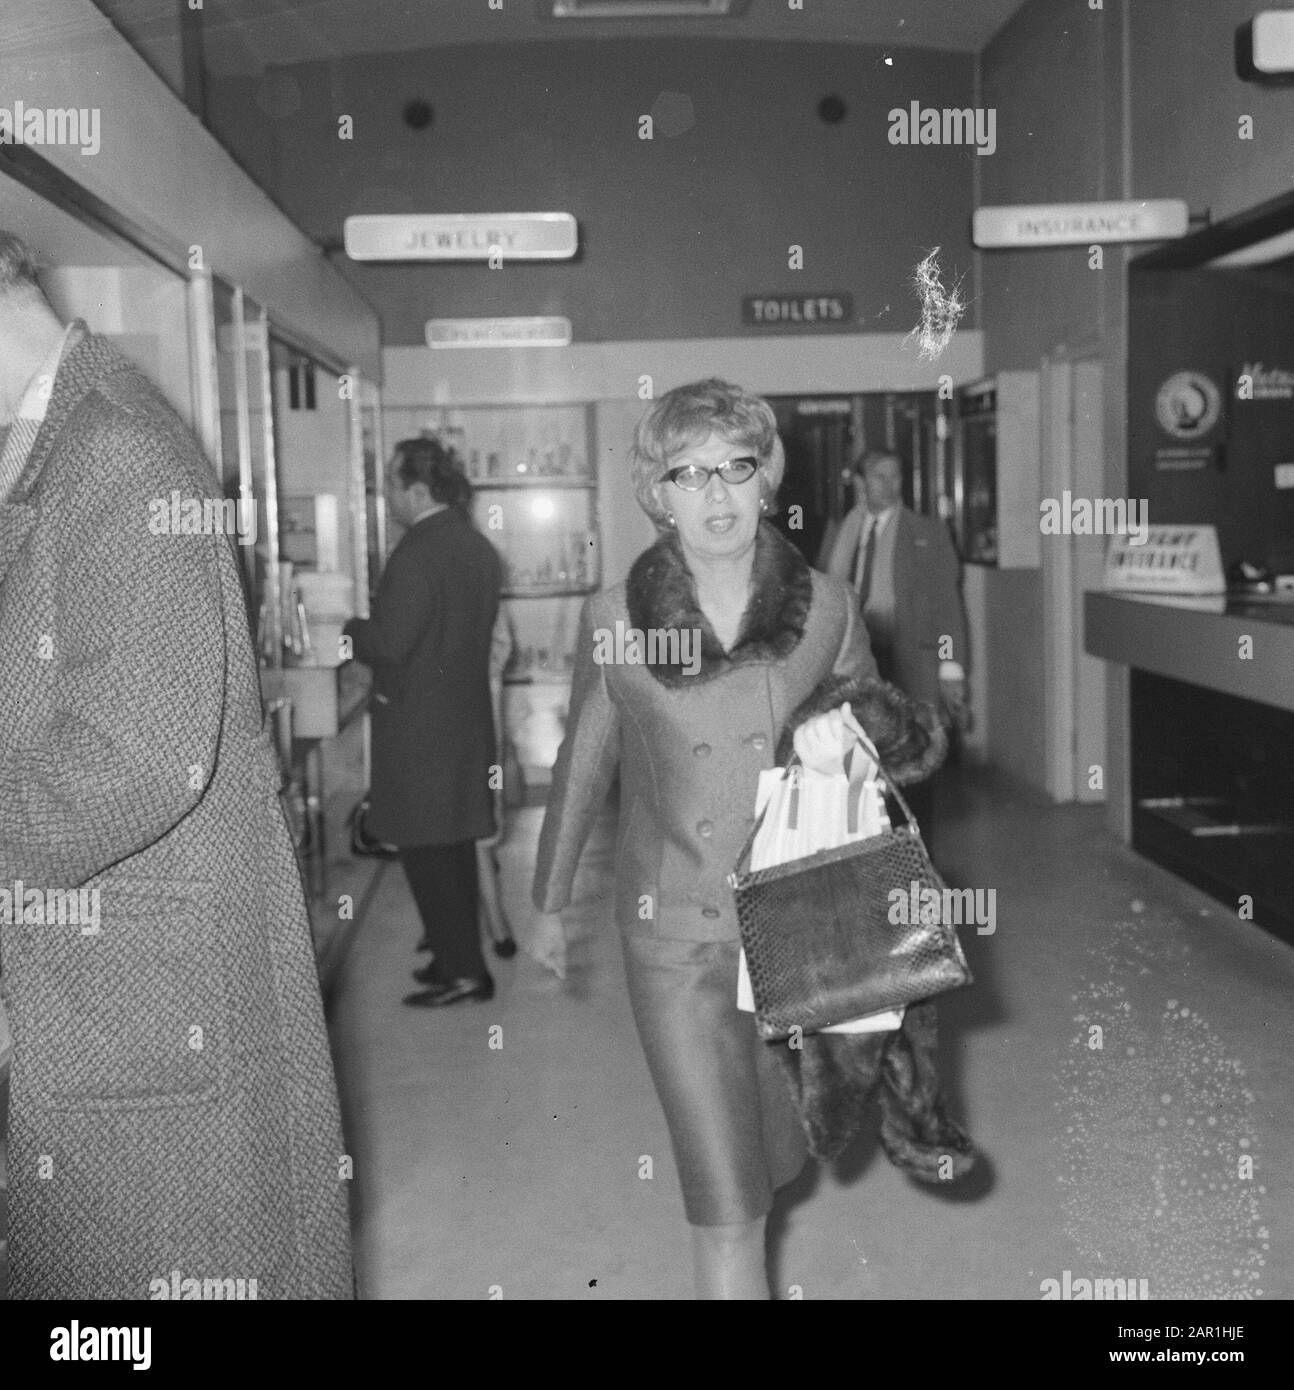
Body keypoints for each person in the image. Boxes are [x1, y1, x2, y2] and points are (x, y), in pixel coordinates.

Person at [527, 379, 972, 1300]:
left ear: (767, 477)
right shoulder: (617, 619)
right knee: (727, 1208)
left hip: (795, 927)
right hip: (673, 939)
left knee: (776, 1162)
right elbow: (585, 758)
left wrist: (851, 746)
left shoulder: (827, 606)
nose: (717, 495)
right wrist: (547, 897)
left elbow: (883, 744)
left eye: (736, 467)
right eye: (690, 474)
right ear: (658, 491)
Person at [0, 231, 352, 1299]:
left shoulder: (112, 451)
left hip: (141, 1023)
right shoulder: (54, 442)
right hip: (101, 1005)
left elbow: (137, 757)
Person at [344, 437, 503, 1007]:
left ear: (416, 489)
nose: (385, 496)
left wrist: (350, 628)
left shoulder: (416, 551)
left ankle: (464, 973)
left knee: (426, 852)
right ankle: (450, 953)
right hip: (462, 721)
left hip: (419, 731)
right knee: (452, 846)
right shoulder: (476, 548)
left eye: (390, 484)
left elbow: (391, 641)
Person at [823, 447, 970, 847]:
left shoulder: (927, 533)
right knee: (857, 774)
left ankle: (917, 867)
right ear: (859, 482)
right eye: (880, 476)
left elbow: (948, 607)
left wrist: (950, 669)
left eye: (897, 475)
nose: (891, 484)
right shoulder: (840, 532)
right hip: (852, 669)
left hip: (911, 668)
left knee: (912, 772)